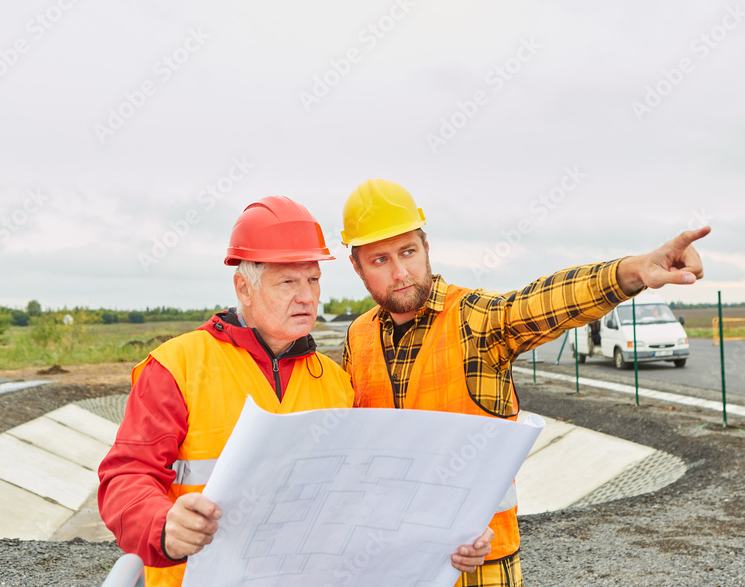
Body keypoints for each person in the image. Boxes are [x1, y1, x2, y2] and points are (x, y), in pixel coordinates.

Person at [98, 196, 493, 587]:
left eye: (313, 280)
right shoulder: (177, 366)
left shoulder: (336, 384)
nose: (307, 297)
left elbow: (372, 496)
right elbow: (126, 475)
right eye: (288, 282)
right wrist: (162, 524)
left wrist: (448, 537)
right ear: (244, 287)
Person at [340, 179, 710, 587]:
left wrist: (632, 272)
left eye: (408, 252)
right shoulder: (357, 339)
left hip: (483, 566)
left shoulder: (474, 319)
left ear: (426, 247)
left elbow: (543, 303)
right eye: (379, 260)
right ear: (357, 268)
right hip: (394, 564)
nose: (400, 272)